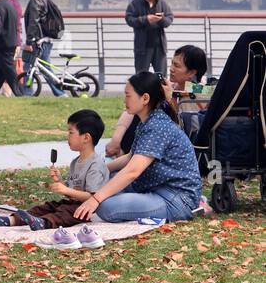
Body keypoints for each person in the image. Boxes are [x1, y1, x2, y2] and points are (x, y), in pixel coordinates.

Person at [76, 72, 203, 224]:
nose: (125, 100)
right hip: (154, 188)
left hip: (176, 199)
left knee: (104, 206)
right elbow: (131, 157)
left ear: (145, 98)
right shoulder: (148, 121)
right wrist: (99, 168)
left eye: (128, 95)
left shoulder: (157, 126)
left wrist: (95, 199)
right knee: (100, 182)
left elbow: (132, 171)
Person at [0, 110, 108, 232]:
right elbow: (73, 192)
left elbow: (93, 197)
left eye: (70, 132)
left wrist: (66, 190)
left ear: (86, 137)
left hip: (90, 209)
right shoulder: (76, 162)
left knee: (64, 213)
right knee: (48, 207)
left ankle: (43, 223)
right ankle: (8, 220)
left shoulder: (95, 165)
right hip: (74, 203)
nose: (67, 136)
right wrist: (61, 182)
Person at [108, 44, 208, 159]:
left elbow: (182, 127)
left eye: (176, 66)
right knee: (141, 105)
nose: (171, 69)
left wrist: (170, 97)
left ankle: (125, 155)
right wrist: (116, 138)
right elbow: (132, 108)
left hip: (176, 146)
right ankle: (123, 152)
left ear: (191, 73)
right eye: (171, 63)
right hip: (155, 140)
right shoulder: (172, 87)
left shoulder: (199, 92)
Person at [22, 0, 64, 96]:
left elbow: (33, 22)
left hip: (38, 41)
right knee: (45, 69)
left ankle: (27, 94)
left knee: (28, 68)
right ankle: (60, 93)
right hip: (45, 40)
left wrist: (29, 42)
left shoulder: (36, 0)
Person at [126, 0, 173, 76]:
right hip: (142, 47)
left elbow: (169, 19)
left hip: (159, 47)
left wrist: (161, 19)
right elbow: (129, 19)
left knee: (162, 77)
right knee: (141, 77)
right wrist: (146, 19)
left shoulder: (162, 3)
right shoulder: (135, 4)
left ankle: (161, 91)